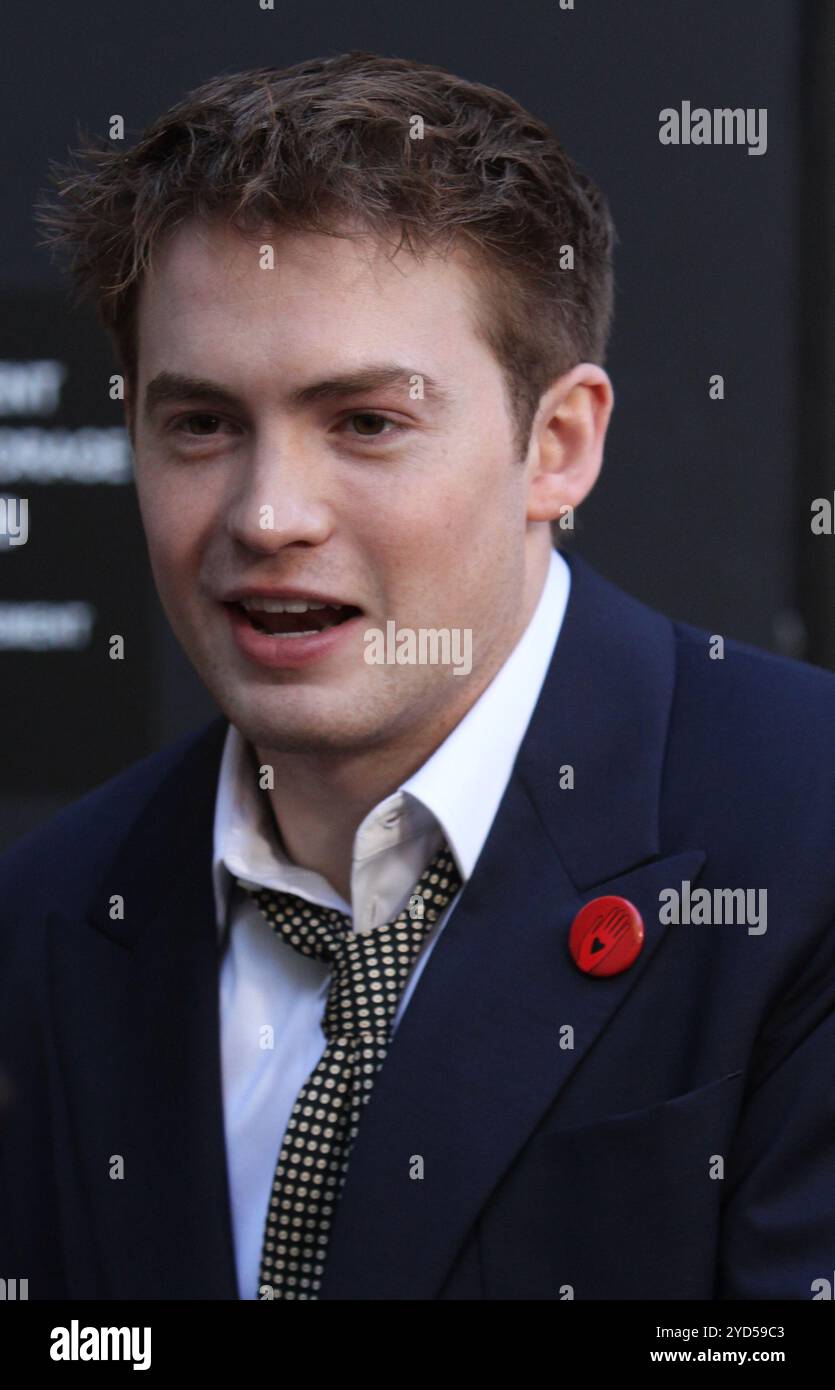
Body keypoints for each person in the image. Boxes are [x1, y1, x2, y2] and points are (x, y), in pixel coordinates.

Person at [1, 50, 834, 1302]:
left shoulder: (807, 832)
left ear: (556, 446)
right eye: (201, 424)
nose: (268, 514)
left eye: (366, 423)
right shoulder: (51, 914)